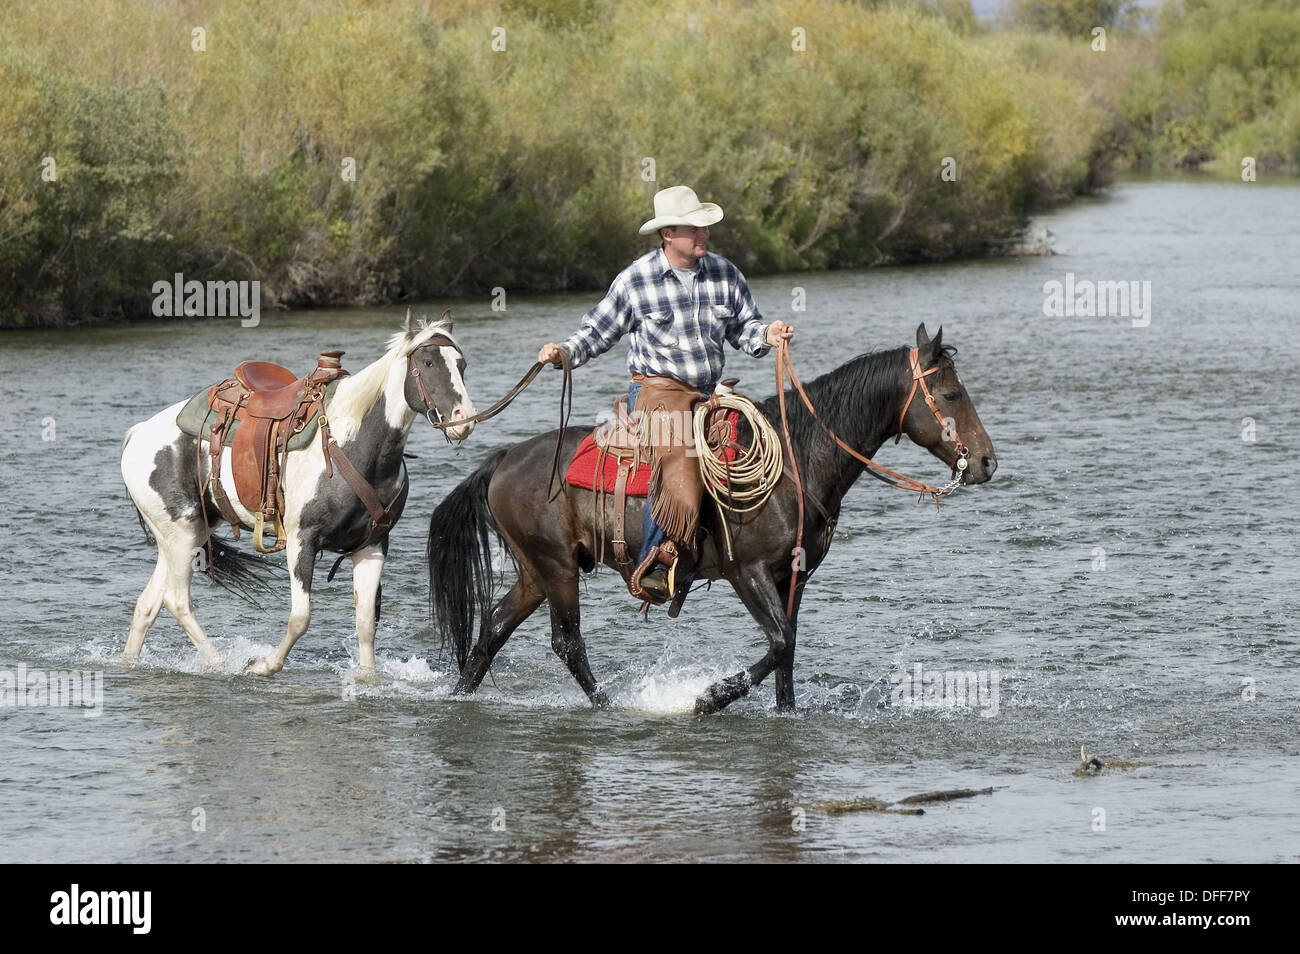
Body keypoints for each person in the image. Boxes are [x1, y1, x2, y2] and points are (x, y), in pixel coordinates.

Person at [538, 185, 794, 603]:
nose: (703, 235)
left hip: (711, 392)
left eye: (704, 228)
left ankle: (749, 545)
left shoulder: (726, 274)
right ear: (668, 234)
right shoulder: (636, 280)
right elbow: (597, 331)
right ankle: (661, 557)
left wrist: (768, 333)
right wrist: (563, 352)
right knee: (681, 453)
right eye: (693, 229)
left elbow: (744, 328)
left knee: (763, 441)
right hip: (657, 391)